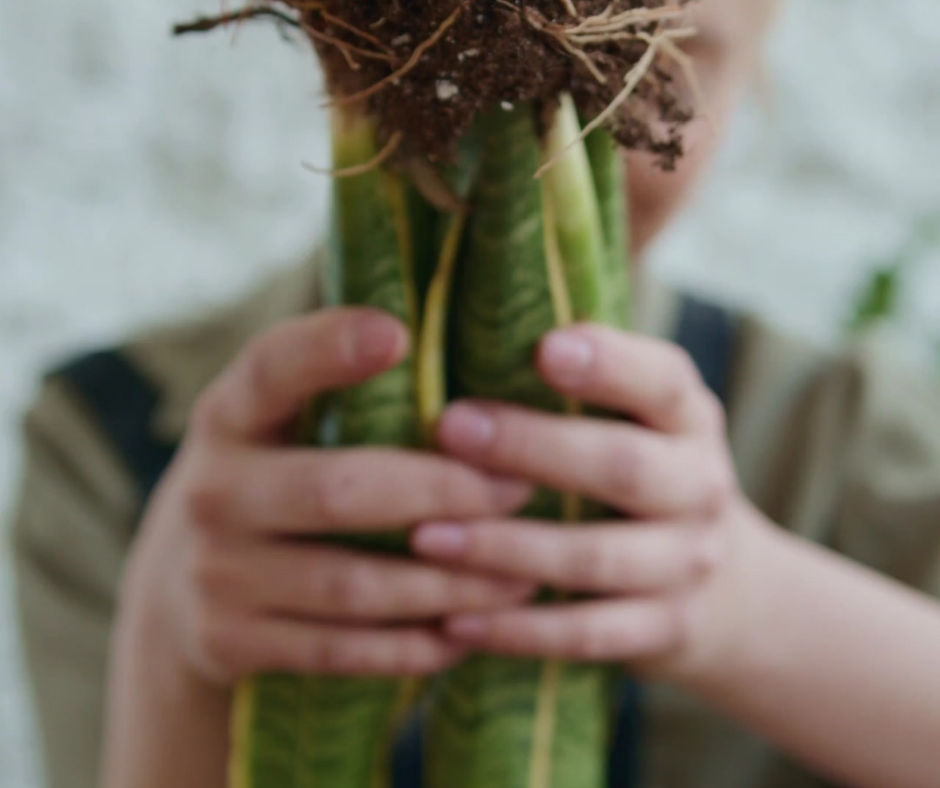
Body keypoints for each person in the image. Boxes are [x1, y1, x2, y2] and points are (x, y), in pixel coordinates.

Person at [10, 0, 940, 787]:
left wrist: (753, 608)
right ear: (341, 30)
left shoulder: (846, 433)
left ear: (751, 79)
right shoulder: (106, 439)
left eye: (663, 55)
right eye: (483, 26)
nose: (556, 112)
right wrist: (167, 647)